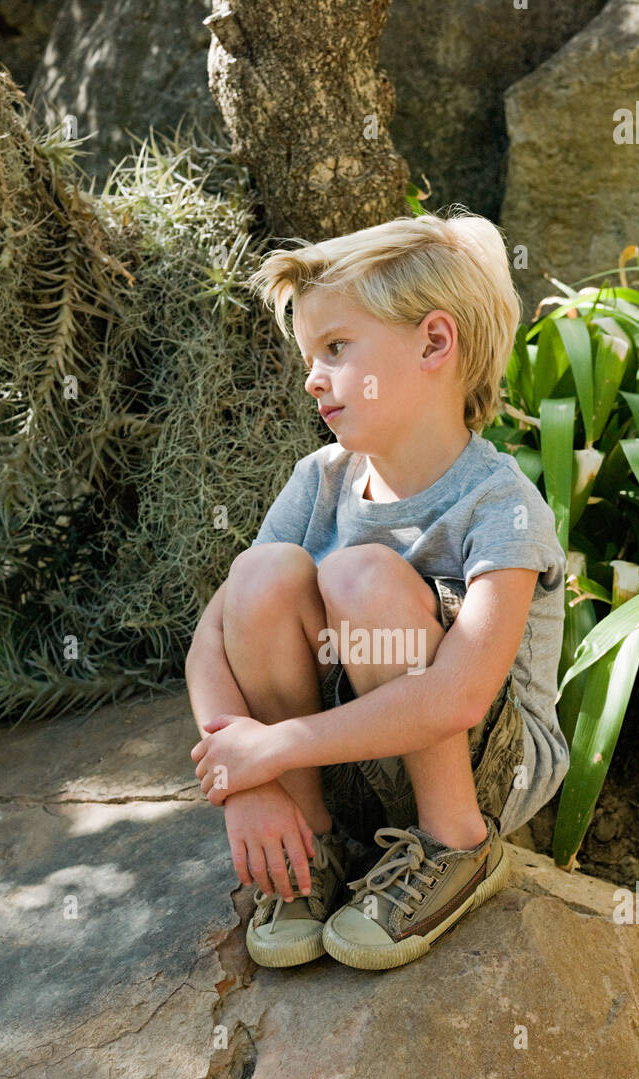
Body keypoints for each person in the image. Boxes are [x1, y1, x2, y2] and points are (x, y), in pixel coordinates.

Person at [186, 206, 569, 972]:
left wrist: (271, 748)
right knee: (261, 574)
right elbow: (210, 639)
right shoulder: (319, 478)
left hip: (482, 764)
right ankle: (310, 845)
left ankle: (452, 845)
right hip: (346, 754)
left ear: (433, 341)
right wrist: (245, 778)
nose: (310, 377)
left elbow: (458, 699)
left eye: (334, 347)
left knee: (361, 573)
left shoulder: (500, 507)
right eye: (307, 352)